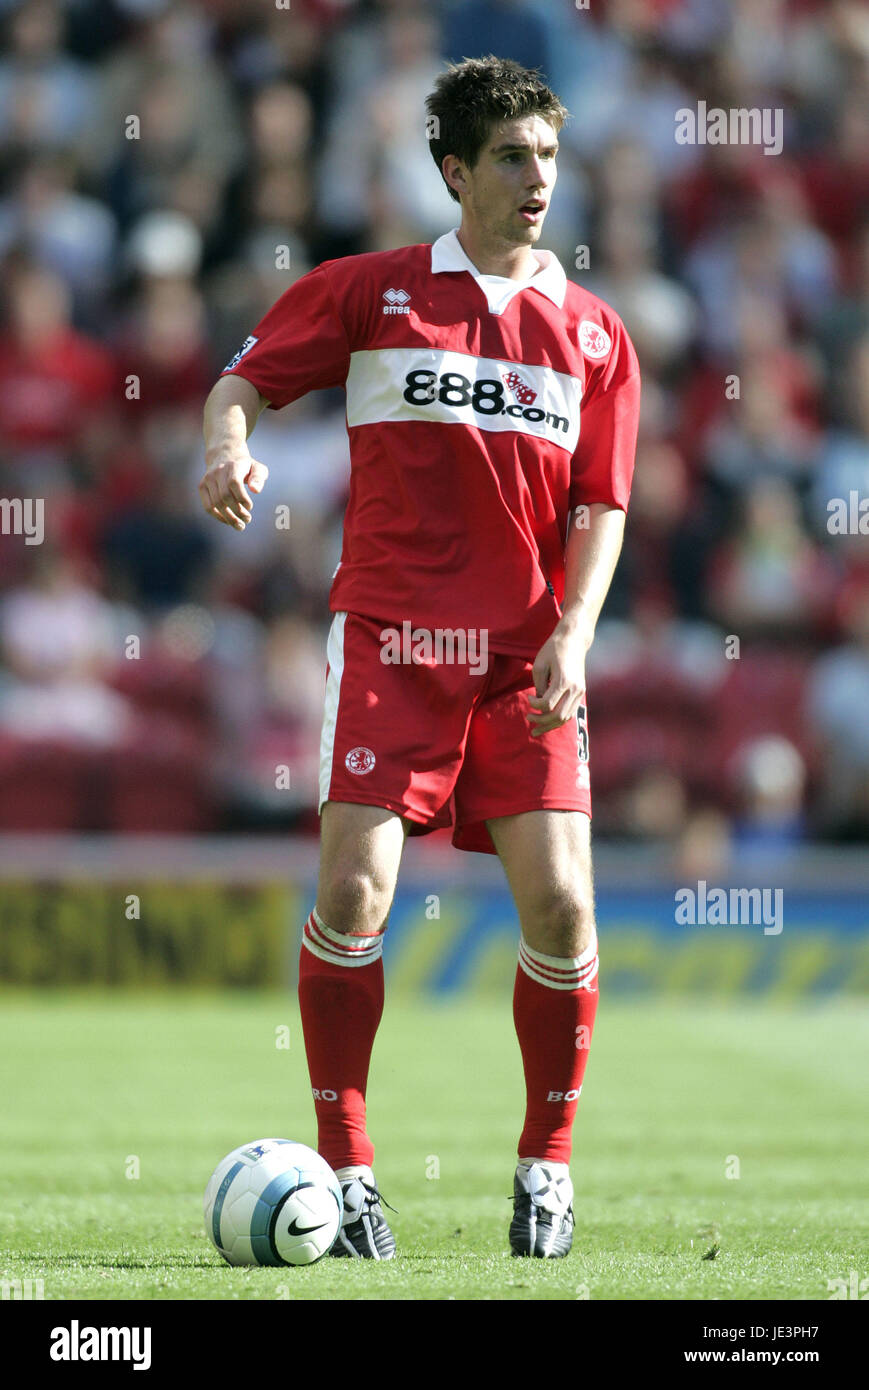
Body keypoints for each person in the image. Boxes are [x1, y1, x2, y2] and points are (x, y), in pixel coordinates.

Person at [200, 56, 640, 1260]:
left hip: (523, 661)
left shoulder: (596, 334)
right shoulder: (369, 292)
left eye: (548, 153)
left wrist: (575, 631)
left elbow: (600, 506)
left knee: (560, 908)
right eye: (511, 155)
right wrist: (226, 448)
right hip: (392, 639)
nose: (537, 175)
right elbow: (240, 382)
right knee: (352, 896)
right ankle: (345, 1172)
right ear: (454, 171)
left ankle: (544, 1168)